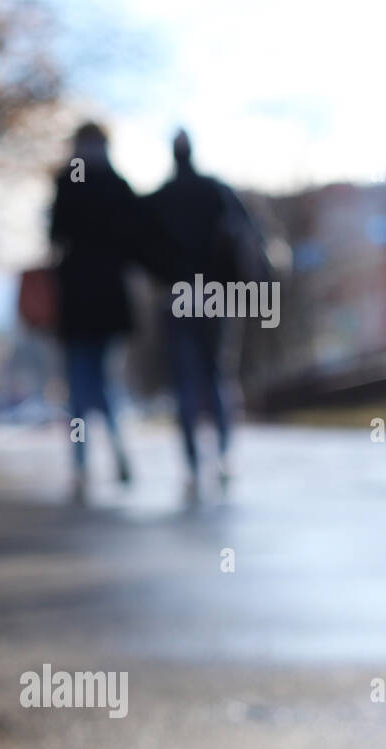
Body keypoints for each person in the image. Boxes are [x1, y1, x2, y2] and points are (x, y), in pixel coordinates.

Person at [142, 129, 261, 498]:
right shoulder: (216, 190)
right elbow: (247, 235)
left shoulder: (161, 198)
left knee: (185, 381)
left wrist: (166, 276)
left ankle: (193, 464)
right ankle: (224, 455)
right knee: (216, 376)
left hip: (178, 294)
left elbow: (143, 247)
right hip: (217, 293)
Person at [49, 122, 141, 498]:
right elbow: (137, 239)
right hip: (108, 302)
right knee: (105, 384)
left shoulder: (68, 183)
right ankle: (118, 452)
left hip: (76, 301)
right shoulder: (118, 185)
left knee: (79, 389)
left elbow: (54, 236)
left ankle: (81, 467)